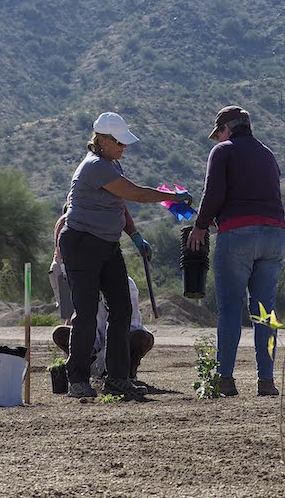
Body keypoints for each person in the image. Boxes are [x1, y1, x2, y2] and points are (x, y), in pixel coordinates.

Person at [58, 111, 190, 399]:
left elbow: (120, 203)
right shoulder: (95, 166)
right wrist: (173, 197)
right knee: (86, 313)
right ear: (102, 140)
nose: (124, 147)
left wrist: (135, 235)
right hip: (82, 244)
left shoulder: (111, 164)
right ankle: (77, 379)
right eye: (119, 142)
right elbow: (136, 194)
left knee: (122, 308)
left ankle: (118, 378)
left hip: (107, 244)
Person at [186, 105, 285, 397]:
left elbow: (213, 193)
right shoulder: (268, 154)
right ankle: (266, 381)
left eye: (218, 133)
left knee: (231, 307)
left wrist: (200, 226)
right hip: (275, 234)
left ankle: (226, 380)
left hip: (238, 234)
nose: (217, 139)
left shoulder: (223, 151)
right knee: (265, 311)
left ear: (226, 129)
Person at [51, 276, 155, 383]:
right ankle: (87, 369)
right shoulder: (85, 283)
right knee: (60, 333)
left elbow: (131, 324)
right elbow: (83, 320)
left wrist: (107, 354)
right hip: (96, 342)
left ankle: (127, 374)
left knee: (142, 338)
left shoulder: (127, 284)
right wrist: (90, 348)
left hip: (121, 343)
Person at [48, 203, 74, 322]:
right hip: (61, 267)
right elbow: (59, 249)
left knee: (71, 308)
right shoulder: (65, 221)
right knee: (68, 308)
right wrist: (64, 268)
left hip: (63, 267)